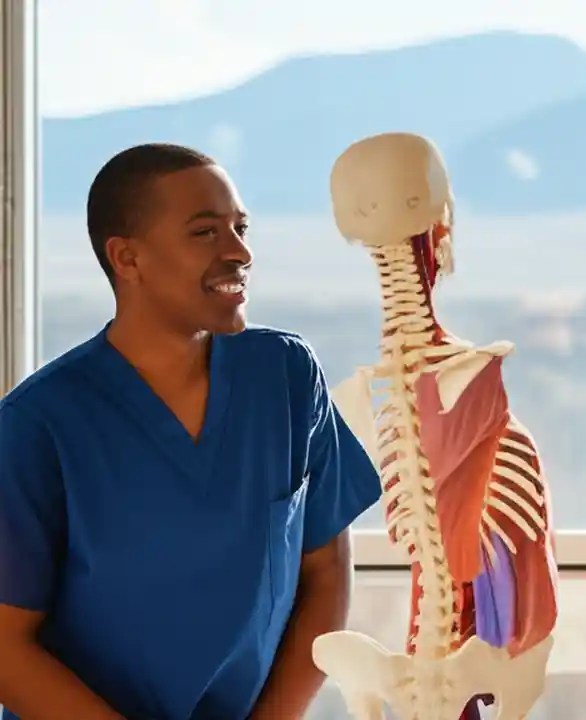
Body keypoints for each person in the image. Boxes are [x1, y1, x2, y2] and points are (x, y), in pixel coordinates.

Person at [0, 143, 382, 719]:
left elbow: (325, 573)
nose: (240, 251)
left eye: (241, 227)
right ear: (127, 259)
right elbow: (5, 648)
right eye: (205, 232)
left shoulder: (284, 378)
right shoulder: (37, 427)